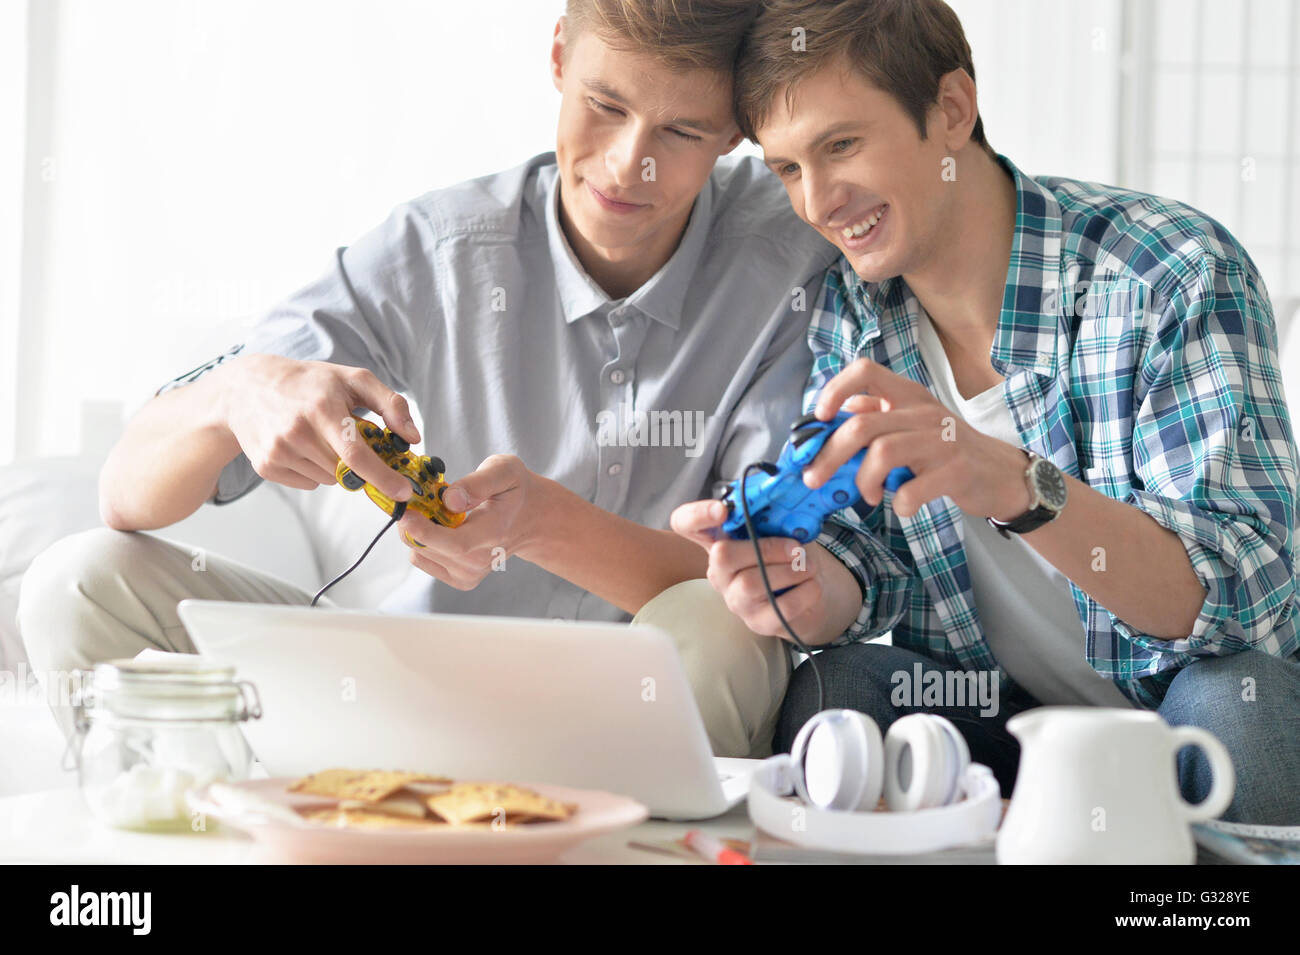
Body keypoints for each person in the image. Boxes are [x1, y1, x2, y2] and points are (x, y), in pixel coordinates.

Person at [18, 0, 838, 758]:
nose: (630, 166)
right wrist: (240, 390)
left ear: (736, 132)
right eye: (607, 105)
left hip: (633, 719)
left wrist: (539, 521)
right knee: (76, 583)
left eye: (683, 132)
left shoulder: (790, 258)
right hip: (409, 698)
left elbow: (750, 577)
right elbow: (125, 495)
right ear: (558, 56)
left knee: (727, 627)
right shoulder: (440, 247)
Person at [672, 0, 1300, 824]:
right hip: (1005, 714)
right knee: (840, 687)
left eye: (841, 145)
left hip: (1182, 707)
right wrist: (803, 587)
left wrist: (1011, 482)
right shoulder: (853, 312)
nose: (819, 200)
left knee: (1235, 706)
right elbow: (872, 564)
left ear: (952, 110)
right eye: (788, 168)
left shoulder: (1170, 273)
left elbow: (1242, 595)